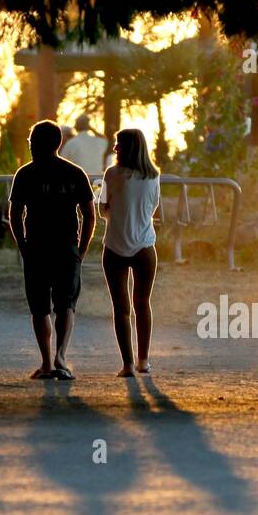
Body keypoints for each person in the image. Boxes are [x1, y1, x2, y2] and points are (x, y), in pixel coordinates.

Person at [8, 120, 95, 379]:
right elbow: (90, 215)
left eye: (33, 143)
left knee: (40, 306)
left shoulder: (25, 174)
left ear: (39, 144)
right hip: (66, 247)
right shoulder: (74, 172)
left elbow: (14, 213)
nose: (32, 147)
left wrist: (22, 244)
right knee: (65, 303)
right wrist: (81, 248)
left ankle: (47, 361)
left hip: (36, 247)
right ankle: (60, 356)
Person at [100, 127, 161, 378]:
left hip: (114, 246)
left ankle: (127, 364)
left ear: (125, 148)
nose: (115, 148)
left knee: (121, 308)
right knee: (143, 304)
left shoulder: (111, 174)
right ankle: (143, 361)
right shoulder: (154, 176)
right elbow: (153, 208)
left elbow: (104, 208)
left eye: (117, 144)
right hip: (145, 246)